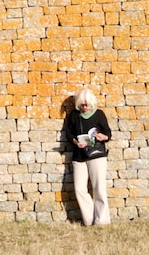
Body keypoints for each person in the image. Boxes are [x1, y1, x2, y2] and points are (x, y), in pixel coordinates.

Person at [62, 87, 112, 225]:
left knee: (99, 188)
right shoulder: (74, 115)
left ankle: (102, 221)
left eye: (88, 104)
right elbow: (69, 133)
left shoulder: (99, 115)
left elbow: (108, 133)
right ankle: (89, 220)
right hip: (79, 156)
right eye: (83, 105)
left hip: (97, 155)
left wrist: (103, 137)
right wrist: (75, 142)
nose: (85, 107)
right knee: (79, 189)